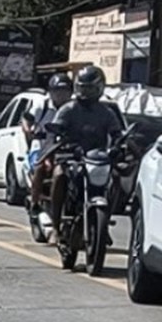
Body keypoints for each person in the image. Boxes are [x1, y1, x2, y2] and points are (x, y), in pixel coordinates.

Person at [46, 65, 121, 236]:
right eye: (82, 88)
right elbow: (56, 130)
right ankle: (56, 226)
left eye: (89, 88)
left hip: (97, 160)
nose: (85, 92)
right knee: (59, 176)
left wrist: (118, 146)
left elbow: (117, 133)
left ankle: (104, 222)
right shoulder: (68, 109)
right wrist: (62, 140)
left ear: (99, 88)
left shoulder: (106, 112)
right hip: (71, 158)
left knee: (116, 179)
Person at [25, 73, 73, 230]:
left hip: (66, 148)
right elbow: (27, 120)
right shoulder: (42, 105)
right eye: (58, 91)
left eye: (65, 91)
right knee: (40, 167)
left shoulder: (74, 108)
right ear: (51, 92)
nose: (62, 95)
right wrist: (30, 132)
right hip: (43, 147)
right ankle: (34, 203)